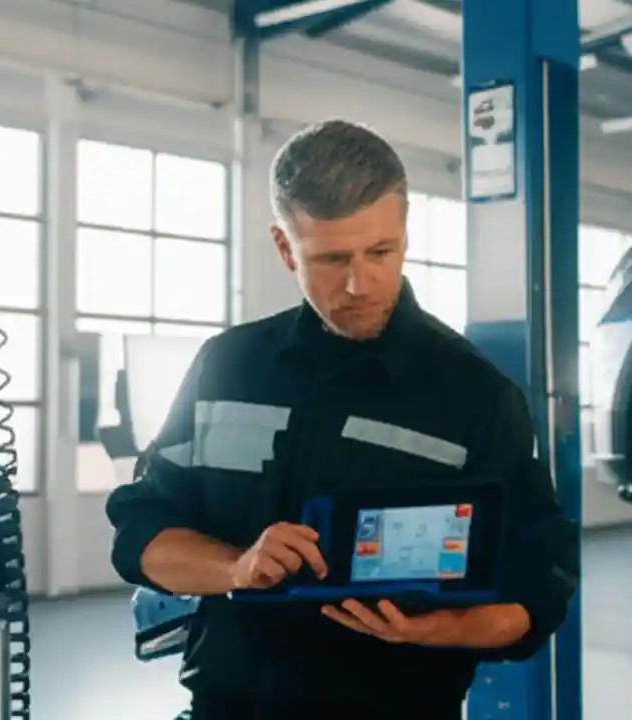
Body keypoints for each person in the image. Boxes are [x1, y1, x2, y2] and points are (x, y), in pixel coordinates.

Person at [105, 118, 579, 719]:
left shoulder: (475, 395)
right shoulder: (227, 366)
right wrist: (237, 566)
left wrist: (433, 631)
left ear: (405, 232)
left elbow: (541, 582)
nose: (360, 284)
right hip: (224, 705)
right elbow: (143, 529)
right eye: (331, 259)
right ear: (284, 248)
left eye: (381, 252)